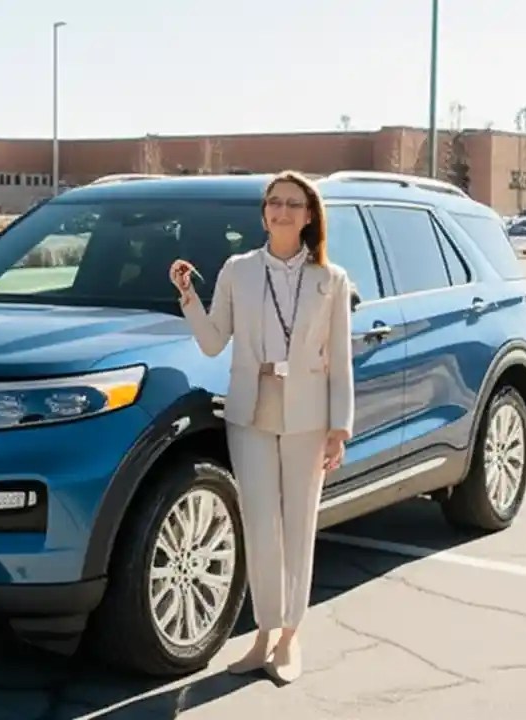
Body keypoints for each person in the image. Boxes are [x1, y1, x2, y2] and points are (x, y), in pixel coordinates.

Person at [168, 170, 354, 684]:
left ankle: (291, 636)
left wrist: (339, 427)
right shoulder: (238, 270)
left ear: (309, 215)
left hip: (309, 415)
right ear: (264, 212)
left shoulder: (331, 279)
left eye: (293, 204)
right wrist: (187, 295)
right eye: (275, 202)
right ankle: (264, 633)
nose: (282, 211)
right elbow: (212, 342)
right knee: (260, 526)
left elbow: (341, 361)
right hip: (251, 410)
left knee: (298, 526)